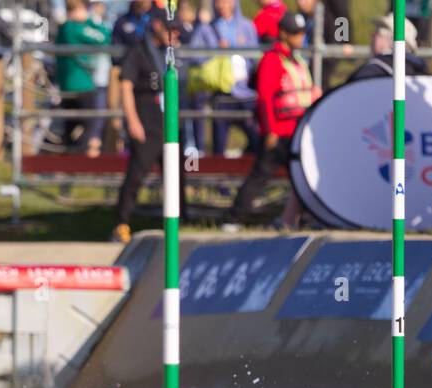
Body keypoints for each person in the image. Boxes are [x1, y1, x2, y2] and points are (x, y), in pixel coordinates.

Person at [222, 11, 318, 229]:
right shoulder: (272, 60)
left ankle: (302, 219)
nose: (300, 37)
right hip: (280, 132)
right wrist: (270, 131)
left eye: (302, 33)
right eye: (295, 33)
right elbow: (265, 98)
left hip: (298, 131)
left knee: (303, 177)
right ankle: (233, 218)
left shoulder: (297, 60)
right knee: (260, 175)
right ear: (283, 34)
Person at [112, 13, 186, 244]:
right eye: (171, 29)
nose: (175, 34)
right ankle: (121, 223)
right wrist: (132, 121)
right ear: (157, 26)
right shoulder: (138, 51)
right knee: (137, 174)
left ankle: (179, 221)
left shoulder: (169, 54)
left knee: (176, 173)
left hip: (168, 121)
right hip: (145, 120)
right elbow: (126, 87)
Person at [190, 0, 258, 156]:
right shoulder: (206, 29)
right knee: (219, 141)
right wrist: (215, 53)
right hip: (221, 90)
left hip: (245, 92)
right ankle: (217, 168)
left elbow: (255, 56)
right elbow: (194, 56)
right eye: (218, 2)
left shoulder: (246, 26)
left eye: (226, 1)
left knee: (255, 137)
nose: (222, 5)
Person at [56, 0, 111, 157]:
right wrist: (91, 20)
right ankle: (80, 156)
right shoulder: (72, 27)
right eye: (86, 7)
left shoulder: (70, 27)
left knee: (71, 124)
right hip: (80, 84)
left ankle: (68, 158)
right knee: (93, 121)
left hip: (74, 83)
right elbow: (104, 37)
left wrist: (89, 20)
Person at [349, 14, 427, 81]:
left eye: (377, 32)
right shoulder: (422, 75)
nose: (372, 36)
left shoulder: (371, 71)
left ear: (392, 39)